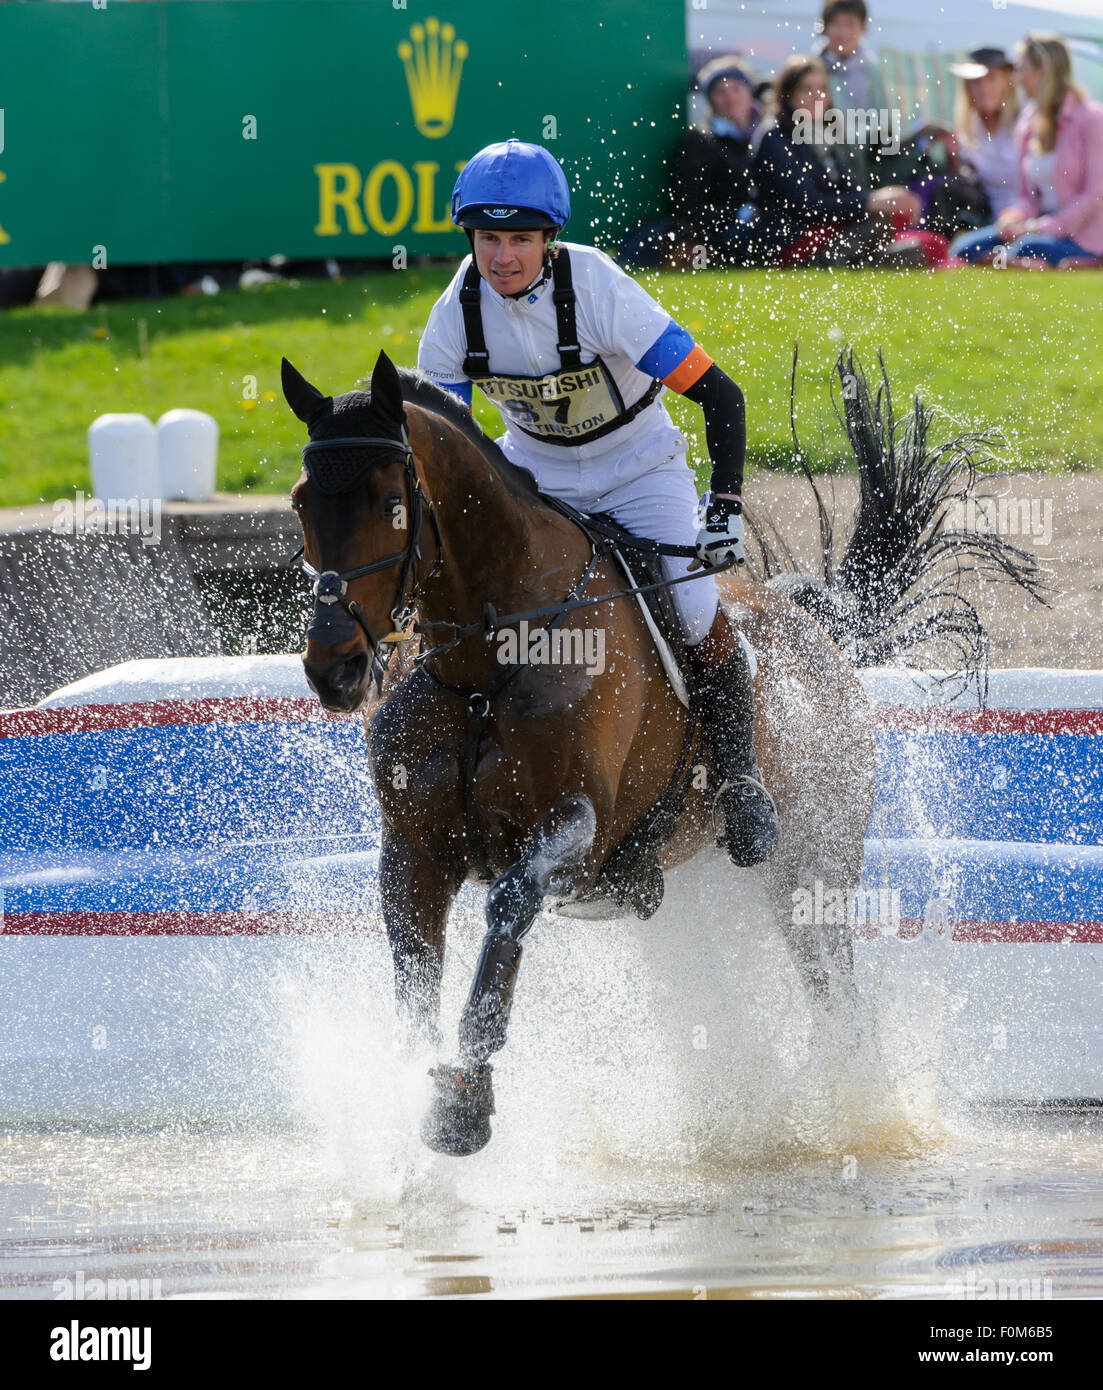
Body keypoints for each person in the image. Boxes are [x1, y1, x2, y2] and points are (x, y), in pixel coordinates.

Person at [417, 139, 779, 867]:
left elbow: (720, 394)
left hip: (638, 471)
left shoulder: (599, 289)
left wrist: (725, 505)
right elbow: (440, 443)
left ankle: (739, 780)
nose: (502, 257)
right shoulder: (456, 310)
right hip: (536, 478)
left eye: (519, 239)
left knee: (695, 611)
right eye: (489, 238)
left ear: (548, 240)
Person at [749, 57, 922, 267]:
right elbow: (807, 204)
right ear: (788, 95)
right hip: (792, 241)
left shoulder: (822, 134)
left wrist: (888, 198)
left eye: (822, 89)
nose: (816, 97)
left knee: (922, 245)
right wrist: (872, 201)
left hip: (829, 236)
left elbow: (848, 190)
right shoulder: (774, 137)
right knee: (880, 224)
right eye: (807, 89)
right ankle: (824, 265)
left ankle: (862, 264)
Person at [951, 34, 1103, 266]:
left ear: (1043, 71)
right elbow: (1028, 197)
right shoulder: (1028, 121)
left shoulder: (1091, 118)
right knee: (964, 248)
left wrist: (1044, 227)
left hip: (1082, 237)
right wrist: (1013, 217)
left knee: (1026, 248)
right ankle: (1025, 264)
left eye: (1022, 71)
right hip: (1038, 228)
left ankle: (1087, 262)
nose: (1018, 79)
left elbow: (1095, 195)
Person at [620, 55, 763, 270]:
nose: (730, 98)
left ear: (749, 92)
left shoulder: (768, 135)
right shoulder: (698, 141)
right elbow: (689, 205)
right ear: (710, 99)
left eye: (736, 88)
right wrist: (738, 215)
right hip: (721, 234)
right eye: (720, 92)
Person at [949, 47, 1020, 220]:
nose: (983, 88)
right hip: (988, 222)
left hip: (1026, 220)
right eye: (976, 81)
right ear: (967, 87)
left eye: (991, 79)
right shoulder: (968, 129)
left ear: (1007, 81)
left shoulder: (1025, 123)